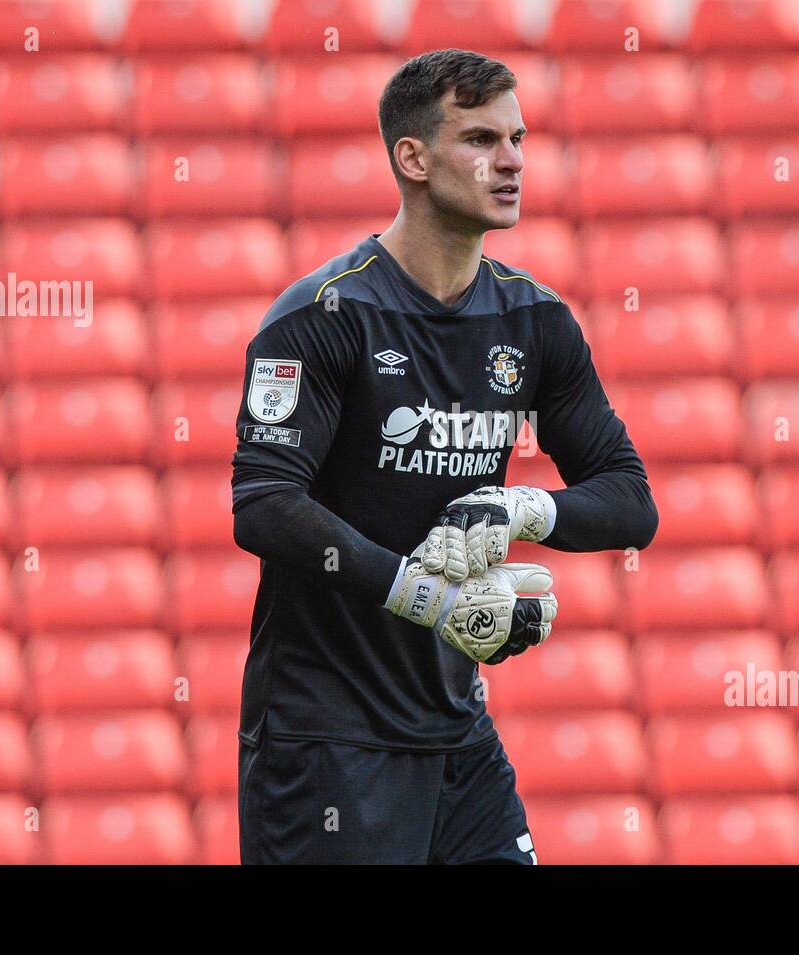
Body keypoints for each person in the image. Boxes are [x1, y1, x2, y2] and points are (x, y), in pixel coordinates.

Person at [231, 48, 658, 864]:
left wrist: (521, 509)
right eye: (481, 139)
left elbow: (631, 499)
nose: (512, 161)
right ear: (413, 158)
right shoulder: (322, 317)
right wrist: (423, 595)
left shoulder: (536, 321)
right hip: (325, 742)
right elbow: (264, 505)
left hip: (457, 731)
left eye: (519, 139)